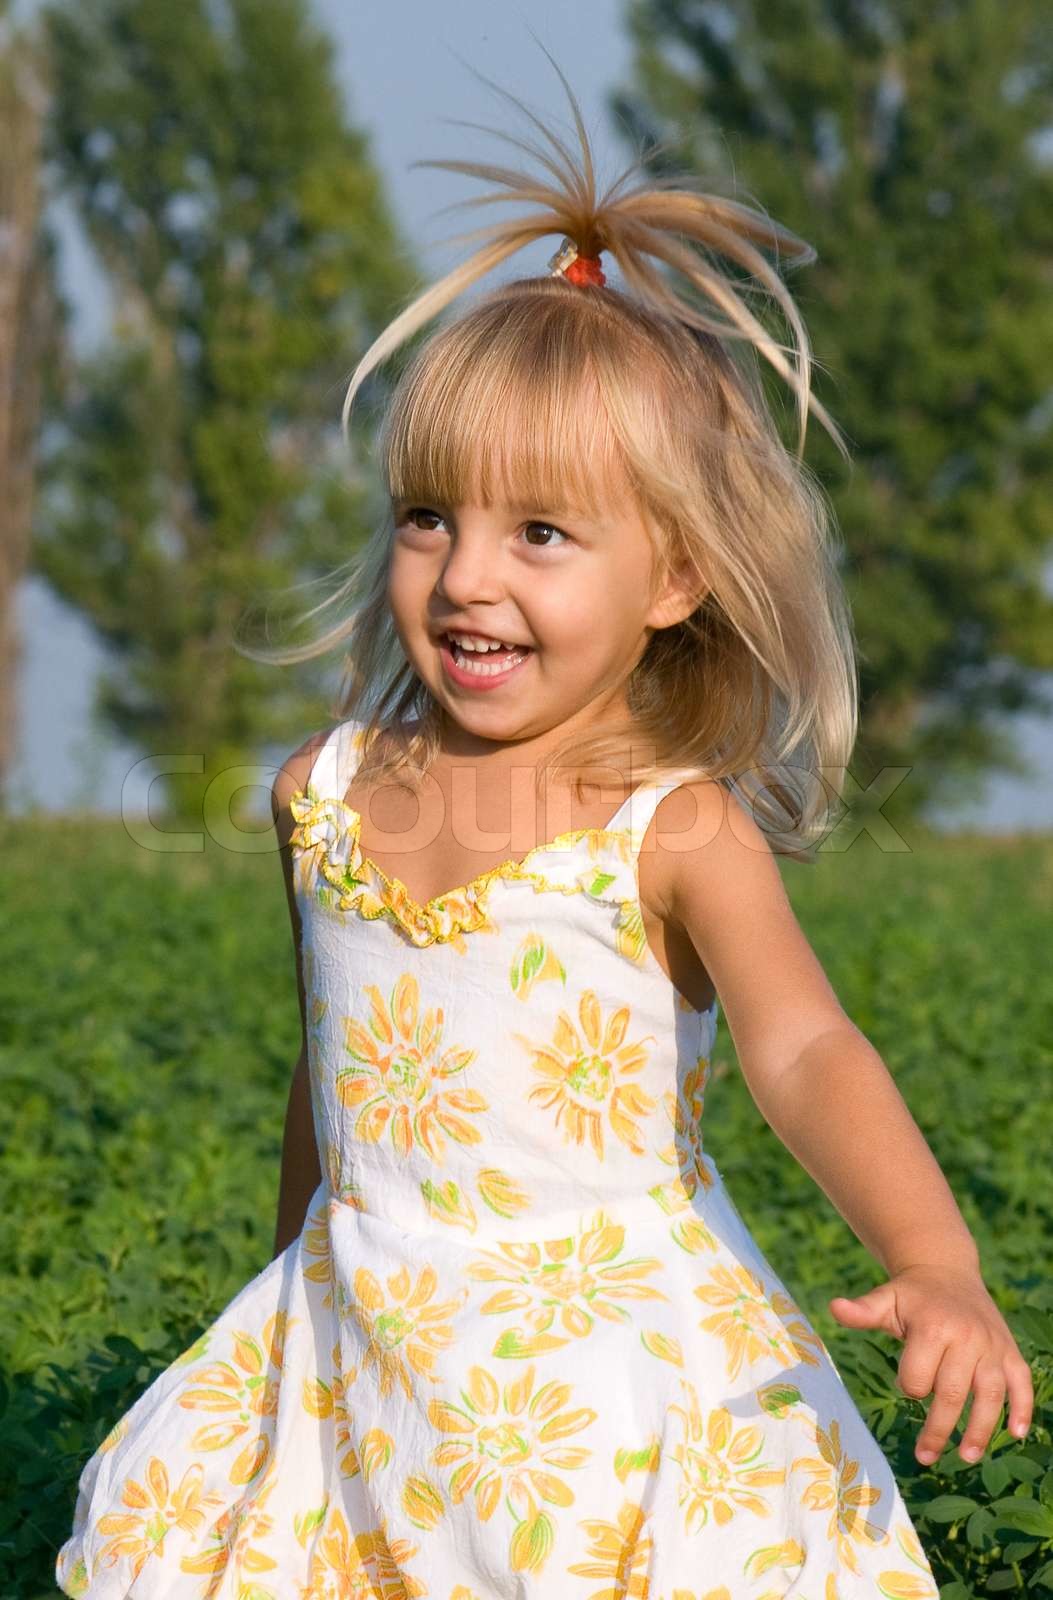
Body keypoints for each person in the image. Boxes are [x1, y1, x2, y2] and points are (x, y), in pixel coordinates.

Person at [56, 55, 1032, 1600]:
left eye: (542, 535)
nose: (465, 579)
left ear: (673, 581)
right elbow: (333, 1074)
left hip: (602, 1389)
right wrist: (293, 1278)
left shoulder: (672, 830)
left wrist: (934, 1263)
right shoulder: (316, 795)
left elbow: (802, 1053)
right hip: (359, 1361)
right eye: (427, 514)